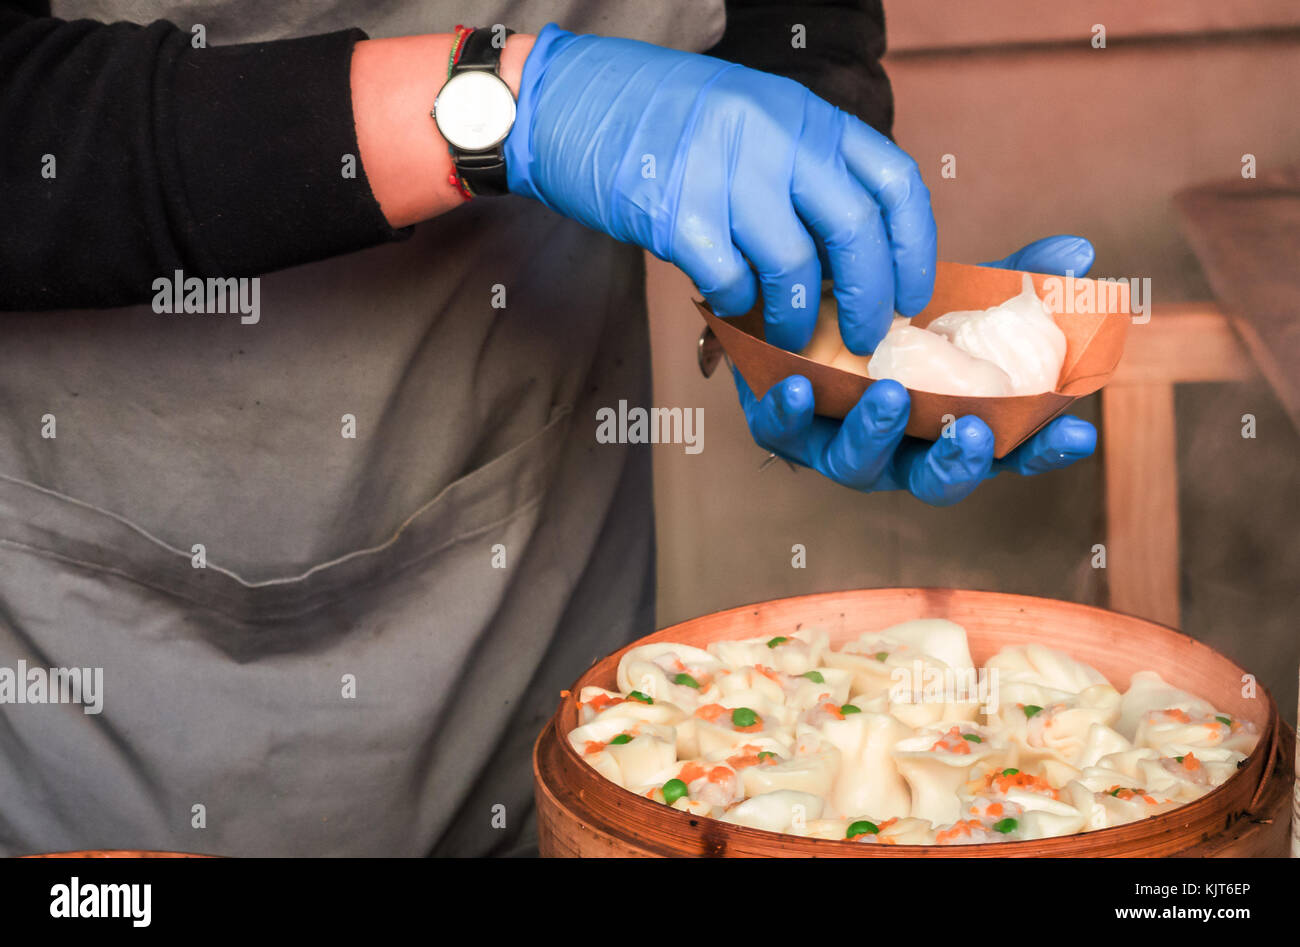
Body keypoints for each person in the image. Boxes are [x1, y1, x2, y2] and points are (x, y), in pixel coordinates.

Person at [0, 1, 1096, 856]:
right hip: (121, 546)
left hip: (539, 496)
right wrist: (499, 105)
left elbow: (793, 9)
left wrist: (793, 267)